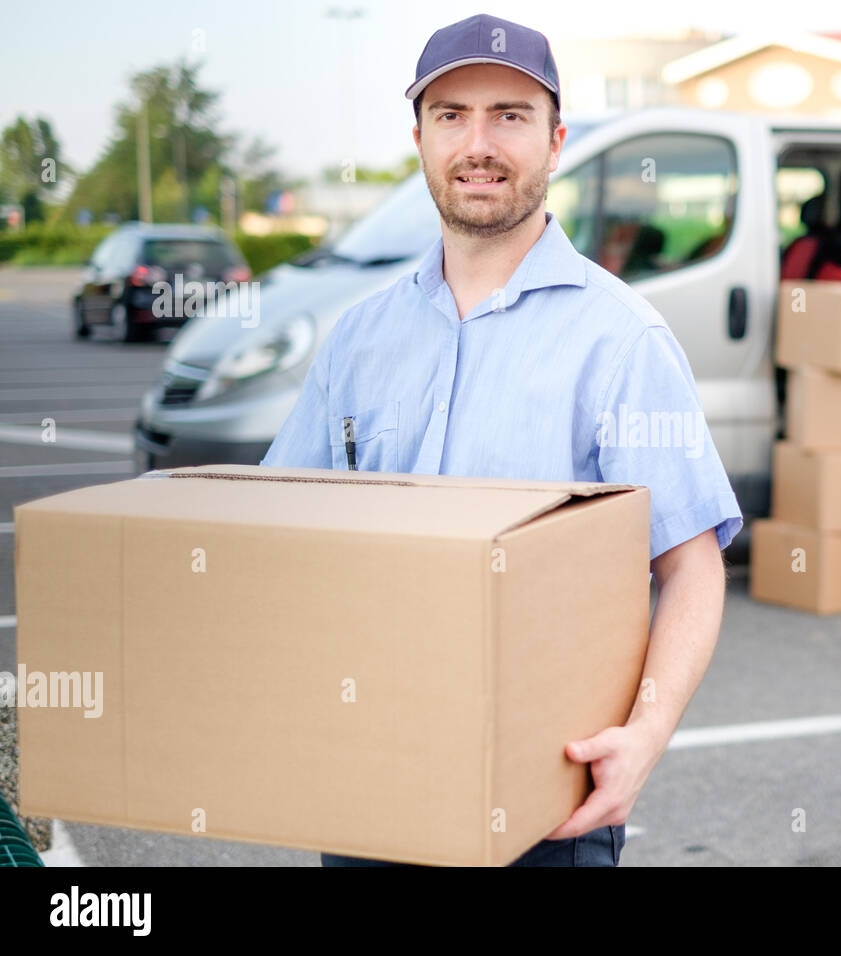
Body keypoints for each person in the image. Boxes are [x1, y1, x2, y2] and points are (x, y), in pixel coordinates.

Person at [259, 13, 743, 867]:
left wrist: (646, 734)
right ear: (419, 139)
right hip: (369, 788)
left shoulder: (620, 340)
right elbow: (281, 534)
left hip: (544, 807)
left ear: (555, 142)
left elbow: (691, 563)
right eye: (452, 115)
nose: (478, 142)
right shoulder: (358, 338)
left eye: (509, 115)